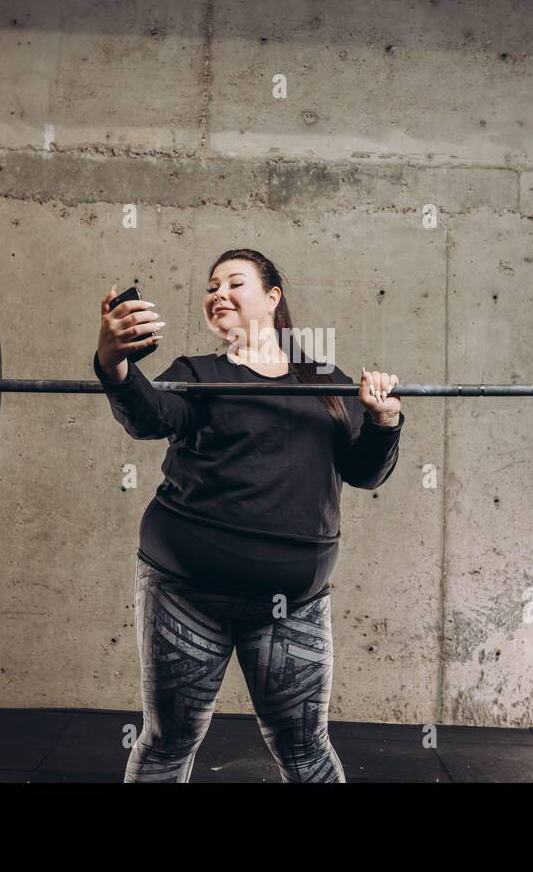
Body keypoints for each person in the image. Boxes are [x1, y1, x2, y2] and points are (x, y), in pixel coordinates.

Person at [94, 248, 404, 782]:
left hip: (293, 606)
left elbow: (365, 472)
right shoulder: (198, 373)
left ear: (272, 298)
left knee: (306, 751)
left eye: (234, 283)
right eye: (211, 286)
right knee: (168, 743)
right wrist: (113, 362)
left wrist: (384, 418)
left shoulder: (326, 382)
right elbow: (149, 416)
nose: (218, 294)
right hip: (185, 590)